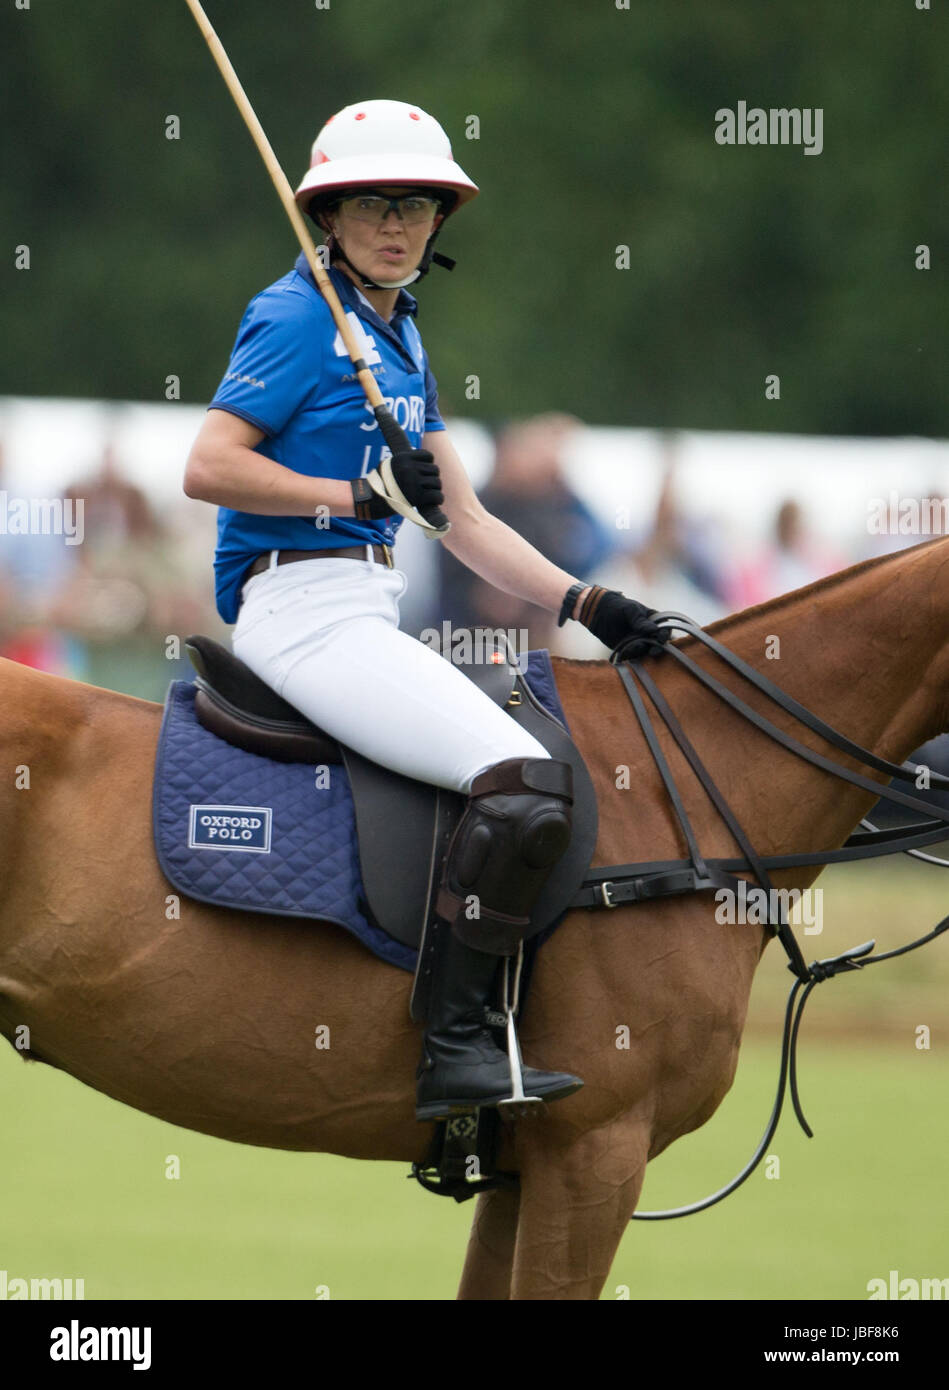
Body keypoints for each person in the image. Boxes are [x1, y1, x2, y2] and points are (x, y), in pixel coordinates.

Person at [184, 99, 667, 1121]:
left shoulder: (398, 336)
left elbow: (466, 520)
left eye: (417, 204)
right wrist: (355, 499)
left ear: (441, 218)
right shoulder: (301, 316)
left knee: (524, 763)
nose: (395, 222)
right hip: (298, 608)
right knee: (517, 777)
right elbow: (208, 466)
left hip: (367, 607)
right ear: (329, 213)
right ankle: (454, 1050)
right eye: (372, 203)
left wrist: (592, 601)